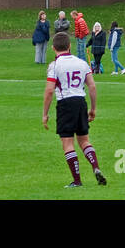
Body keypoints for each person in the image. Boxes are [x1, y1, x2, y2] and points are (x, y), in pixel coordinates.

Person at [42, 31, 106, 188]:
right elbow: (92, 86)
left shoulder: (55, 66)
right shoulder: (81, 63)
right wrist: (92, 108)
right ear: (70, 46)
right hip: (80, 102)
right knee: (84, 140)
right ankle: (95, 167)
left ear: (53, 48)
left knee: (67, 142)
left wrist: (45, 114)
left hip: (65, 104)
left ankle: (77, 181)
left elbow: (50, 91)